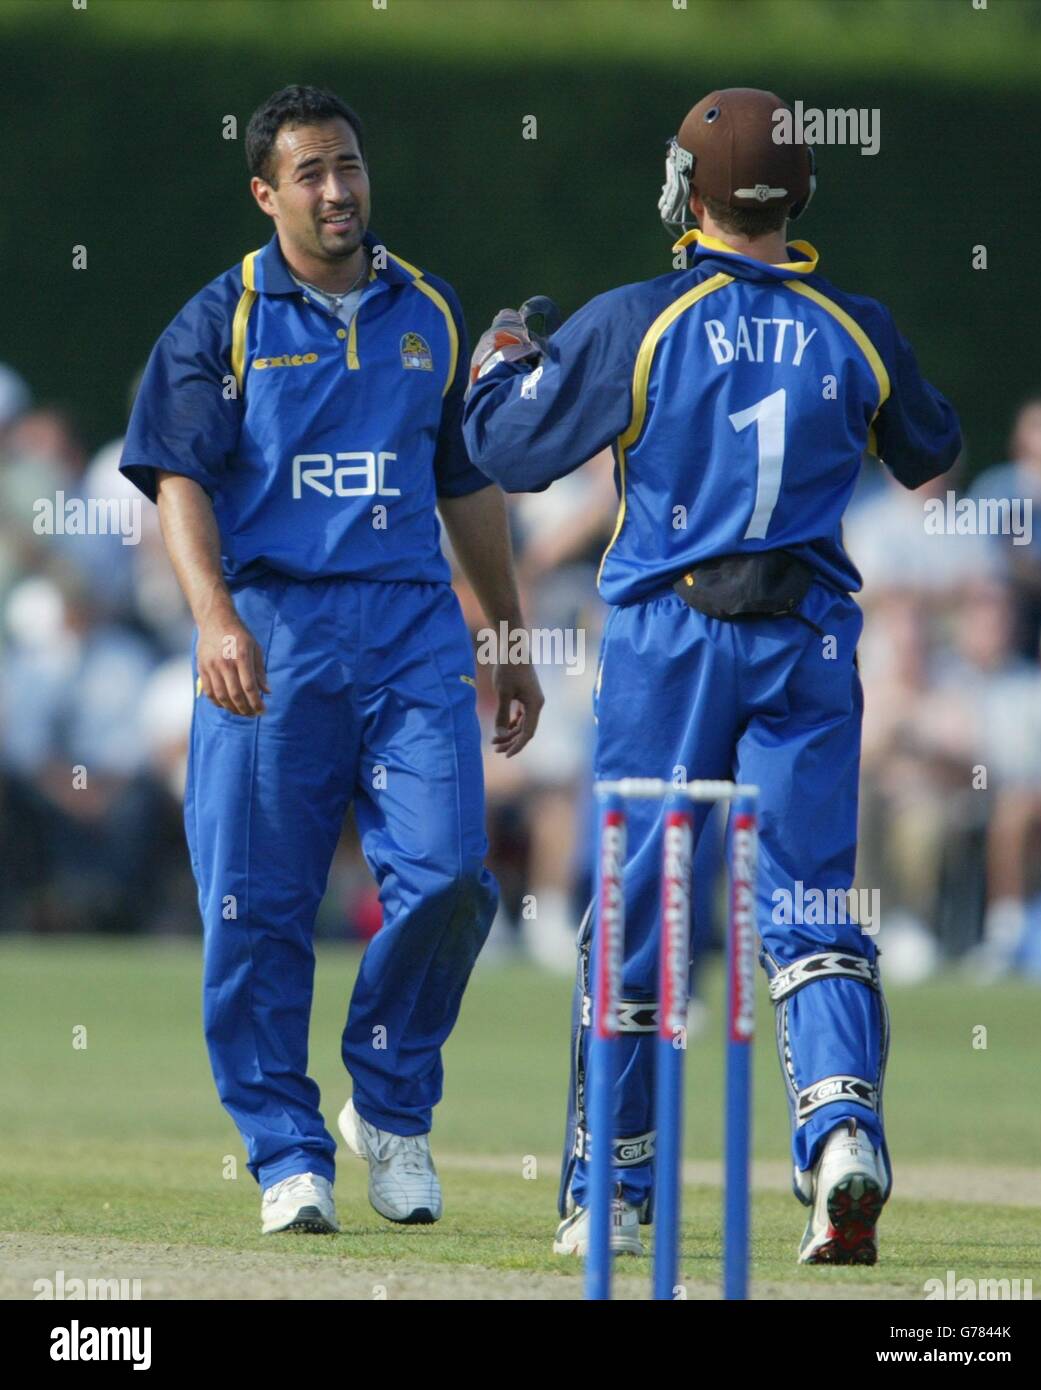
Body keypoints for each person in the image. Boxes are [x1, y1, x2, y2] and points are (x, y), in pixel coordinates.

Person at [463, 88, 961, 1266]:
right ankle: (840, 1130)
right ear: (800, 196)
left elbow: (506, 447)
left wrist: (500, 355)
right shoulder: (856, 325)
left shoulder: (642, 316)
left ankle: (612, 1188)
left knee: (638, 905)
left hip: (665, 643)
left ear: (686, 192)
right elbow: (930, 449)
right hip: (807, 645)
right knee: (807, 901)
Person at [119, 85, 542, 1236]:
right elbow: (179, 484)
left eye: (347, 165)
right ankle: (284, 1153)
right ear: (266, 193)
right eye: (308, 173)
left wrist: (504, 636)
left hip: (410, 631)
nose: (337, 189)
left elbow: (466, 487)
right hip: (273, 636)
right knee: (255, 907)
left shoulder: (430, 313)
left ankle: (390, 1105)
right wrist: (213, 619)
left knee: (452, 874)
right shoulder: (222, 321)